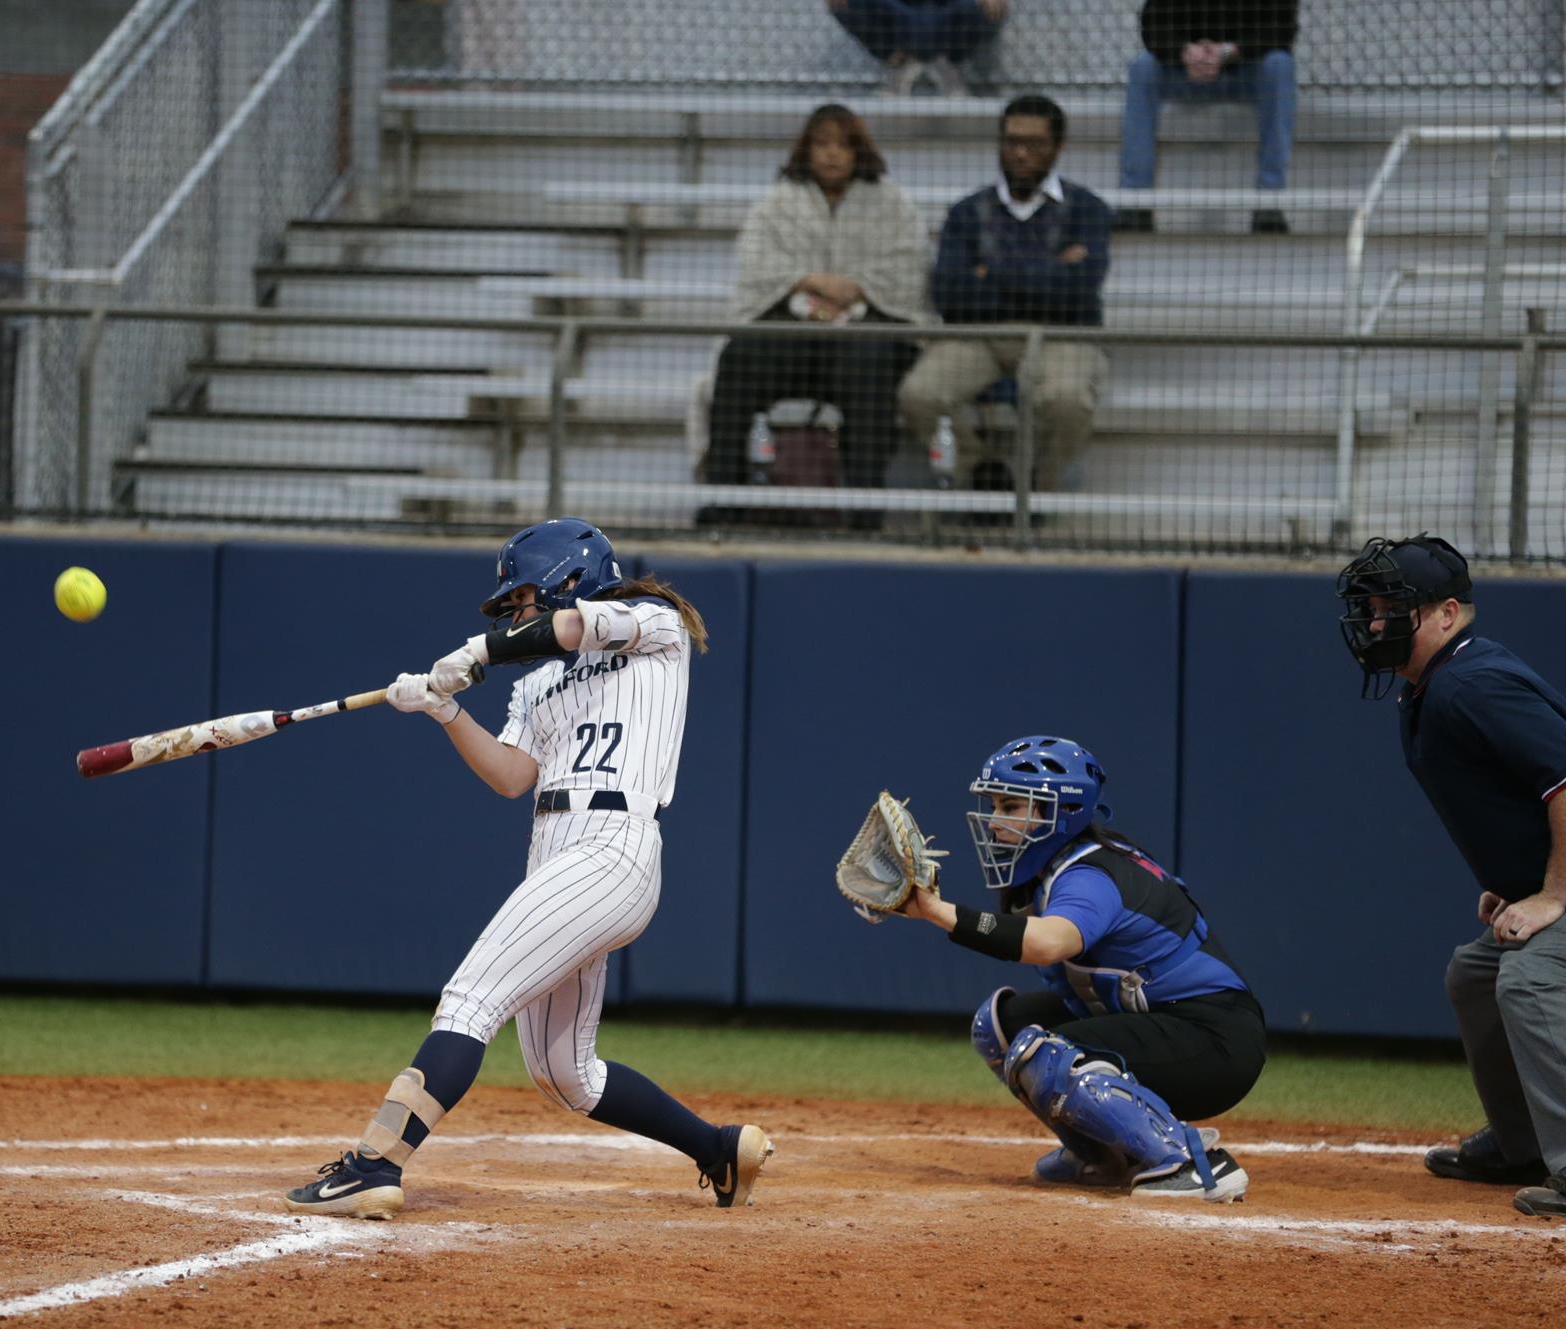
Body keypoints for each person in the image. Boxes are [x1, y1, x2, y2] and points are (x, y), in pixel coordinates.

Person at [285, 518, 772, 1219]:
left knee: (469, 1000)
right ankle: (719, 1148)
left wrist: (474, 652)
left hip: (612, 846)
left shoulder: (653, 623)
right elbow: (512, 776)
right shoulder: (536, 684)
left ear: (568, 580)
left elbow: (571, 628)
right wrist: (445, 710)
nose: (515, 614)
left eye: (522, 598)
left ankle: (375, 1163)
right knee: (565, 1073)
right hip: (554, 850)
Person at [882, 735, 1265, 1200]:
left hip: (1213, 1041)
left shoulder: (1090, 874)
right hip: (1159, 1019)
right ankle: (1101, 1156)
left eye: (1010, 806)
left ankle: (1194, 1163)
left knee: (1050, 1053)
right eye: (995, 805)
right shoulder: (1053, 871)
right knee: (1000, 1026)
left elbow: (1048, 943)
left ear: (1060, 811)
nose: (995, 821)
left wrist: (936, 911)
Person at [1336, 535, 1566, 1219]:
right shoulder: (1439, 683)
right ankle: (1523, 1143)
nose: (1375, 623)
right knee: (1476, 974)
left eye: (1391, 609)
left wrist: (1555, 893)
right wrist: (1521, 879)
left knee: (1528, 979)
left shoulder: (1472, 682)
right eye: (1373, 609)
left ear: (1445, 614)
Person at [702, 103, 930, 509]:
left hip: (866, 337)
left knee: (870, 362)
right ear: (806, 149)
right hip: (795, 335)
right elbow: (756, 261)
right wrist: (810, 282)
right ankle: (724, 502)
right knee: (738, 357)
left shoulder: (893, 203)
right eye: (822, 144)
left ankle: (864, 508)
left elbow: (909, 265)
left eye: (843, 144)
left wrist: (858, 290)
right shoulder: (777, 202)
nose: (831, 154)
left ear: (859, 151)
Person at [898, 94, 1110, 499]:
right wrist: (1050, 271)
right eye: (1012, 141)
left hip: (1061, 336)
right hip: (978, 335)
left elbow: (1079, 291)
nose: (1021, 153)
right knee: (919, 395)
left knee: (1068, 401)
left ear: (1058, 147)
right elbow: (950, 293)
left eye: (1034, 143)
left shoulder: (1088, 209)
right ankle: (983, 476)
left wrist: (990, 273)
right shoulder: (965, 212)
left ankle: (1037, 491)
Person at [1113, 0, 1298, 235]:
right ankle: (1135, 203)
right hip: (1186, 71)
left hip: (1246, 69)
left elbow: (1283, 28)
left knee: (1281, 65)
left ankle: (1269, 202)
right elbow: (1152, 25)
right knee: (1142, 67)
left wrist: (1230, 51)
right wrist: (1184, 51)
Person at [826, 0, 1008, 96]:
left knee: (992, 7)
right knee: (844, 3)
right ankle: (900, 62)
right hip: (901, 12)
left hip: (945, 11)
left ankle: (945, 64)